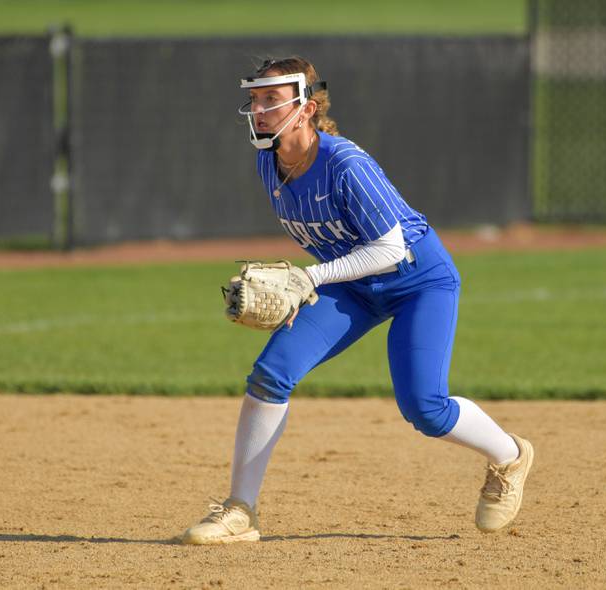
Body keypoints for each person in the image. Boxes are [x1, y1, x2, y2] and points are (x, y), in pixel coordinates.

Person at [181, 57, 533, 545]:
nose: (258, 110)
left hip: (417, 280)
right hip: (352, 285)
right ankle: (241, 511)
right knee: (271, 372)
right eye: (255, 100)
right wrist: (314, 280)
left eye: (271, 99)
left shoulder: (345, 163)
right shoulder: (269, 159)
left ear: (306, 108)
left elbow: (390, 248)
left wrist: (310, 277)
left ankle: (510, 456)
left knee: (425, 409)